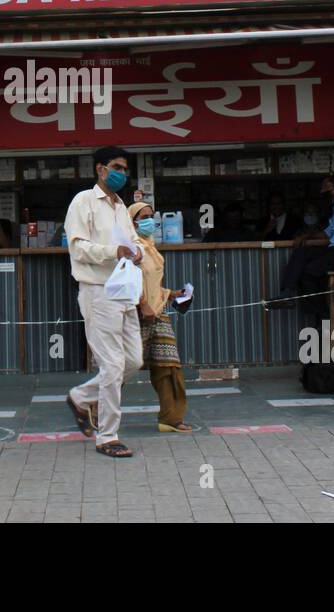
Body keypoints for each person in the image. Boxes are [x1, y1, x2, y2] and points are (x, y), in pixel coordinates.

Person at [64, 146, 142, 458]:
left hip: (123, 290)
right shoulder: (83, 201)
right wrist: (115, 252)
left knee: (133, 361)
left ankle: (81, 397)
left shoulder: (122, 207)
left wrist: (137, 250)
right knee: (112, 364)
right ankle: (107, 436)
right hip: (97, 291)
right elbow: (78, 248)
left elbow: (134, 241)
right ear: (100, 169)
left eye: (125, 168)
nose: (122, 173)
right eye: (116, 167)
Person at [128, 202, 195, 433]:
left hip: (158, 313)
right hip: (137, 314)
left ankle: (171, 417)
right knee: (122, 367)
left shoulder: (151, 246)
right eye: (142, 217)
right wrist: (143, 304)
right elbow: (129, 280)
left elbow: (152, 283)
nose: (149, 221)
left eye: (151, 216)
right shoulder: (131, 247)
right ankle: (93, 410)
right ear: (131, 221)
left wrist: (172, 294)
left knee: (168, 367)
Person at [269, 174, 334, 307]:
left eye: (328, 190)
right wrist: (306, 236)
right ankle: (287, 293)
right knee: (301, 253)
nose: (326, 194)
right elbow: (328, 232)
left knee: (308, 272)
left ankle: (323, 314)